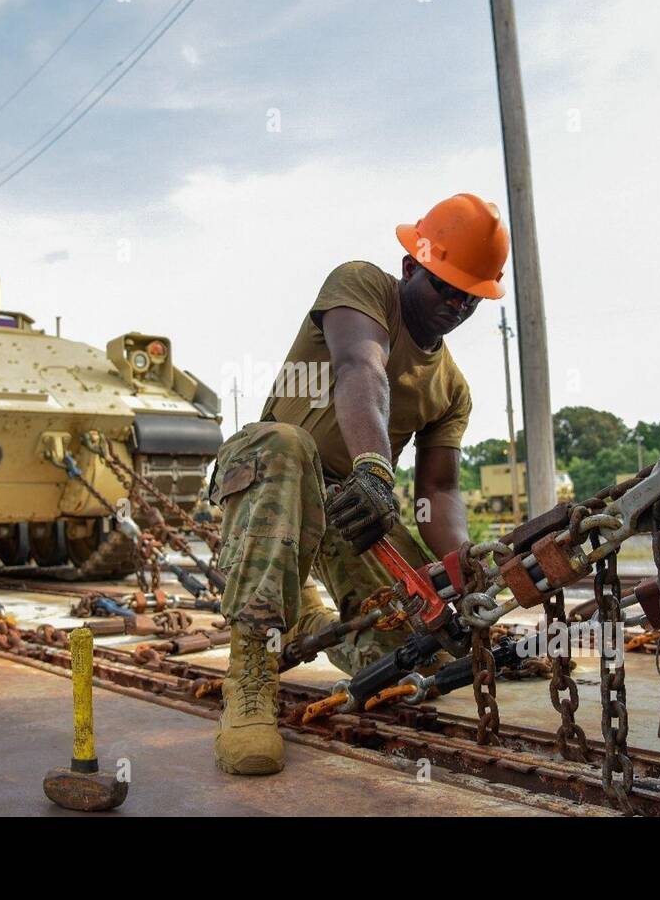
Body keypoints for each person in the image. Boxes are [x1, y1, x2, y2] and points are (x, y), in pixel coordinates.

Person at [209, 193, 511, 775]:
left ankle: (309, 621)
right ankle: (251, 671)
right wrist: (375, 467)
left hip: (352, 504)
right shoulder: (362, 284)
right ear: (409, 268)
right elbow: (360, 368)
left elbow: (439, 493)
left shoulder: (451, 389)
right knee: (288, 443)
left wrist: (460, 576)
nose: (454, 304)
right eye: (443, 286)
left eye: (469, 297)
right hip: (270, 479)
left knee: (419, 651)